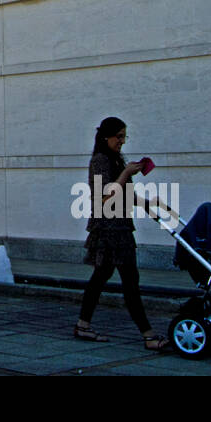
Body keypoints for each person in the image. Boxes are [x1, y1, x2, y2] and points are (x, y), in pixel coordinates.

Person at [74, 116, 168, 349]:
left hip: (120, 225)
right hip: (109, 229)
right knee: (129, 281)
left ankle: (82, 326)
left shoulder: (115, 159)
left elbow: (123, 195)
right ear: (106, 136)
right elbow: (103, 196)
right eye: (119, 136)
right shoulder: (99, 161)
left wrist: (147, 203)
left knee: (101, 278)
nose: (123, 141)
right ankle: (148, 335)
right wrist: (125, 173)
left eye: (125, 136)